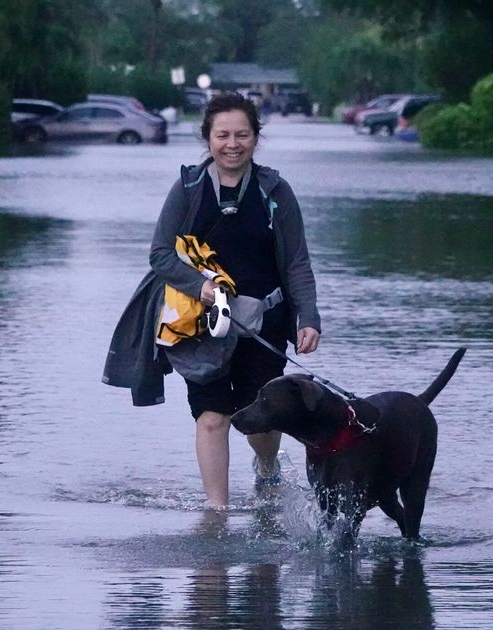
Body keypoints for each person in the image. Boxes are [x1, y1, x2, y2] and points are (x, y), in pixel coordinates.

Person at [127, 92, 321, 509]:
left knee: (261, 424)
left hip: (263, 323)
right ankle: (217, 512)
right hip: (199, 326)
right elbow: (161, 253)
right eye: (223, 135)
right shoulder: (188, 187)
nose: (232, 144)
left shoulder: (276, 191)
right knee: (212, 416)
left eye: (242, 134)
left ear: (255, 137)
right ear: (207, 138)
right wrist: (199, 285)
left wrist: (309, 316)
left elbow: (298, 264)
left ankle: (267, 471)